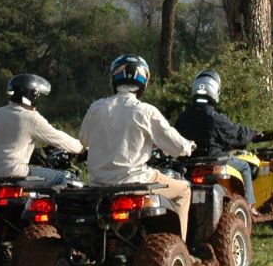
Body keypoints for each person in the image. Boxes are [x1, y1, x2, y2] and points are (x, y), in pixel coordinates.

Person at [80, 55, 197, 238]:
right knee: (183, 190)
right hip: (136, 181)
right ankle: (181, 249)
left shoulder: (96, 107)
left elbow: (83, 140)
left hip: (98, 184)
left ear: (114, 80)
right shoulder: (145, 111)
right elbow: (176, 147)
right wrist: (189, 146)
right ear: (143, 83)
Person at [174, 70, 269, 205]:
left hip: (189, 162)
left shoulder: (183, 117)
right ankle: (249, 206)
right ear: (214, 91)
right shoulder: (215, 118)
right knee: (245, 167)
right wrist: (253, 134)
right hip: (214, 159)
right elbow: (237, 135)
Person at [0, 74, 83, 187]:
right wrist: (82, 147)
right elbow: (59, 139)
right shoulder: (31, 118)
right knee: (61, 177)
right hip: (15, 175)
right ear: (32, 96)